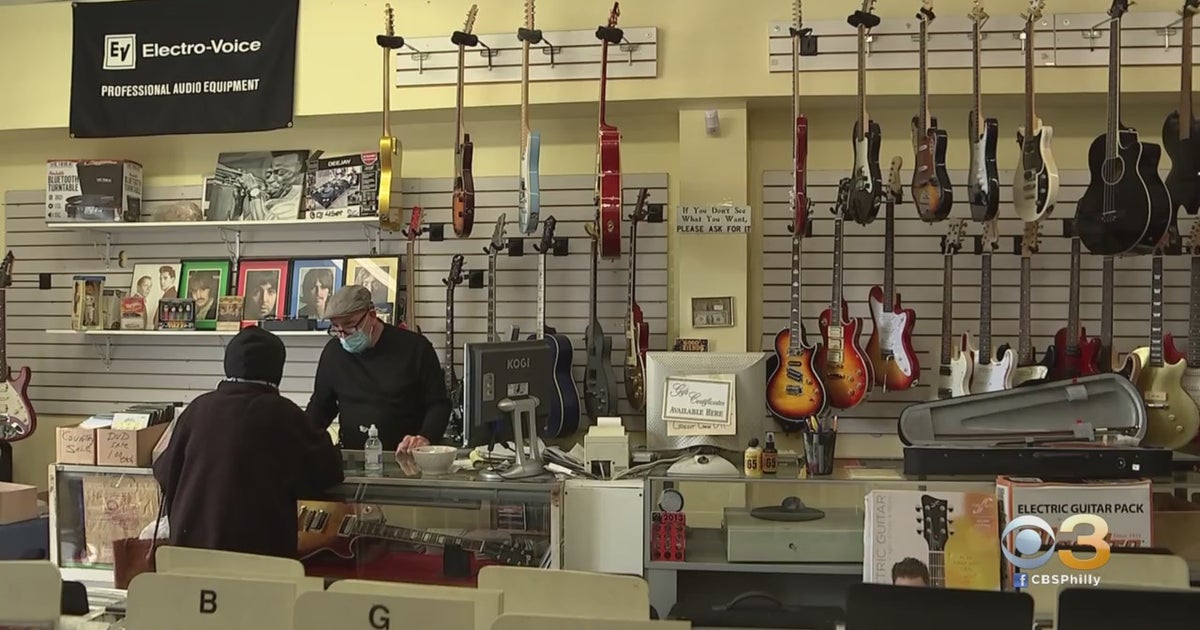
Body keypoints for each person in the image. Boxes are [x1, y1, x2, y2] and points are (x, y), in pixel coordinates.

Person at [153, 326, 344, 558]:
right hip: (259, 557)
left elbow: (163, 471)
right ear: (276, 369)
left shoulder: (197, 409)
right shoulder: (285, 414)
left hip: (191, 553)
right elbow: (327, 473)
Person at [306, 285, 450, 453]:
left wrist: (425, 437)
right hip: (351, 457)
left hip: (405, 457)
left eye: (350, 325)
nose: (343, 335)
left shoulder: (416, 348)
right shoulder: (333, 353)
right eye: (336, 328)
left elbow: (438, 405)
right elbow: (321, 406)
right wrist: (299, 435)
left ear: (372, 315)